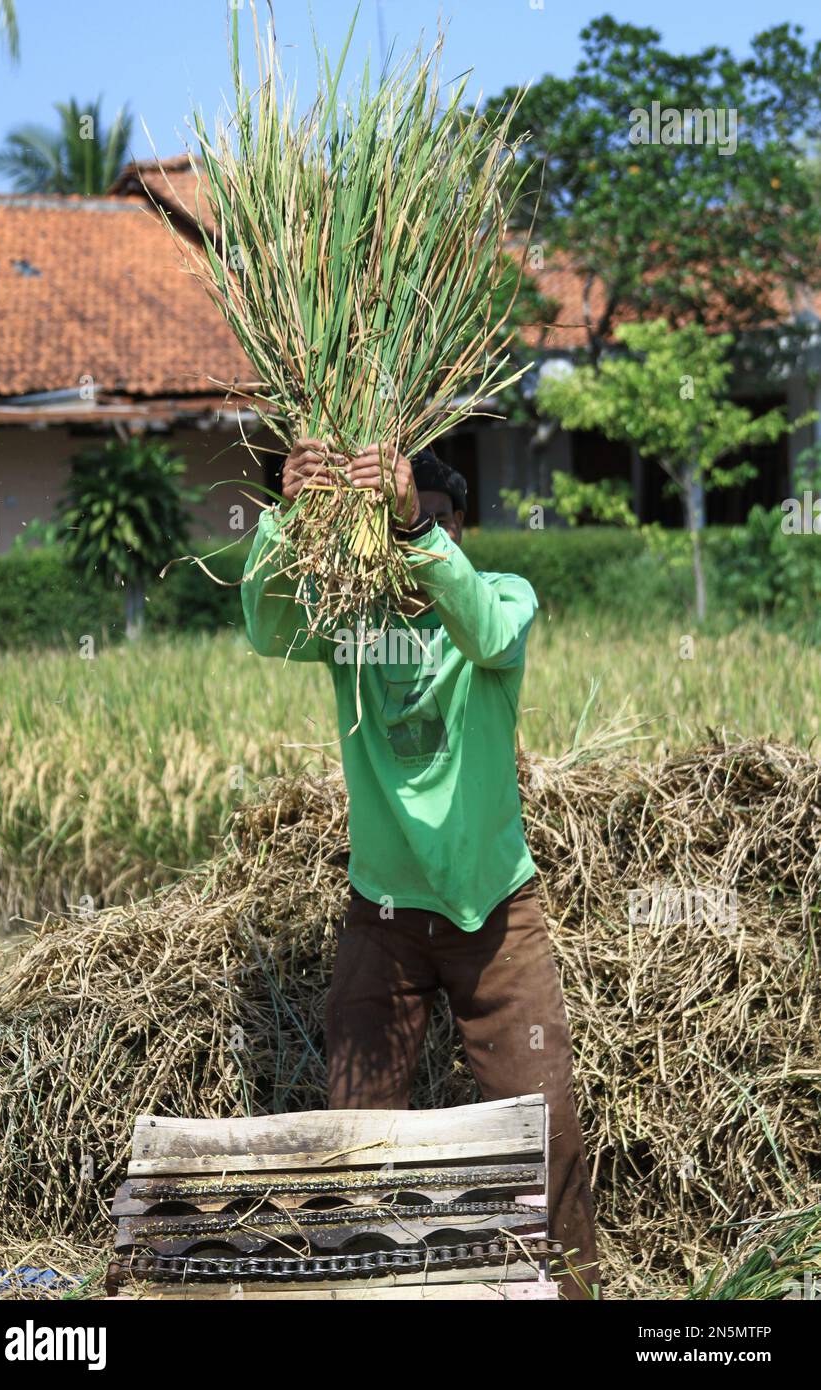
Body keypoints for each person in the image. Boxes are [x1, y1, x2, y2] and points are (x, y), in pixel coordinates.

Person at [241, 437, 601, 1300]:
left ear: (458, 527)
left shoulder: (501, 602)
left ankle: (579, 1293)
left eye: (434, 526)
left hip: (496, 917)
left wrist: (412, 530)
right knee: (356, 1134)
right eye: (398, 527)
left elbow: (479, 623)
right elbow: (266, 625)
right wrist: (288, 523)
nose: (414, 545)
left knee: (546, 1130)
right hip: (386, 917)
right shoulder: (353, 625)